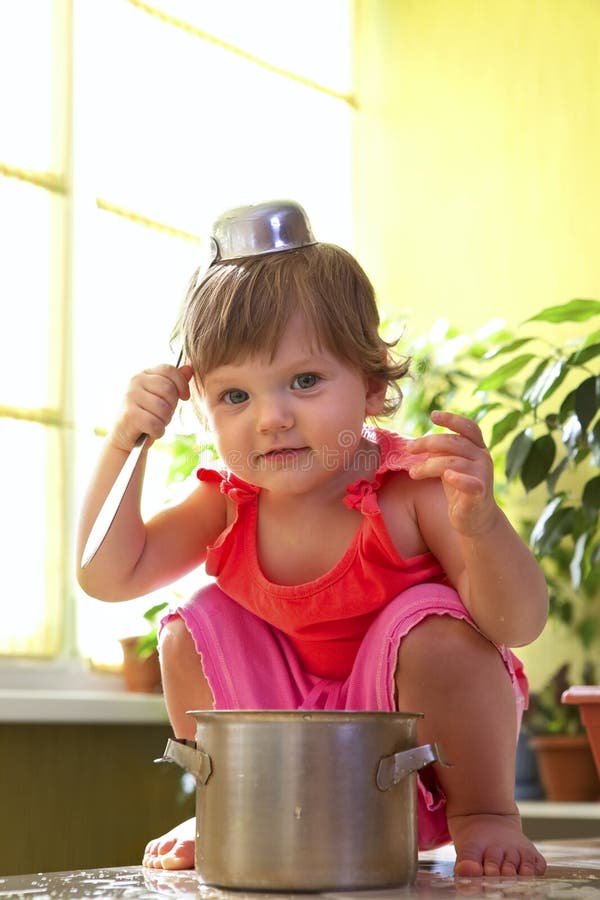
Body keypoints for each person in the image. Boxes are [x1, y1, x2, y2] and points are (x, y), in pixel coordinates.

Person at [77, 203, 548, 878]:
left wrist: (483, 526)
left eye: (304, 381)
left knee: (435, 628)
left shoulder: (412, 489)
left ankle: (487, 813)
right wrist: (128, 441)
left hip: (412, 761)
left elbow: (518, 624)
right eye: (234, 396)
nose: (272, 418)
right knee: (192, 624)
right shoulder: (229, 502)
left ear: (373, 387)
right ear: (201, 405)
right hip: (280, 772)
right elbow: (107, 576)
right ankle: (224, 799)